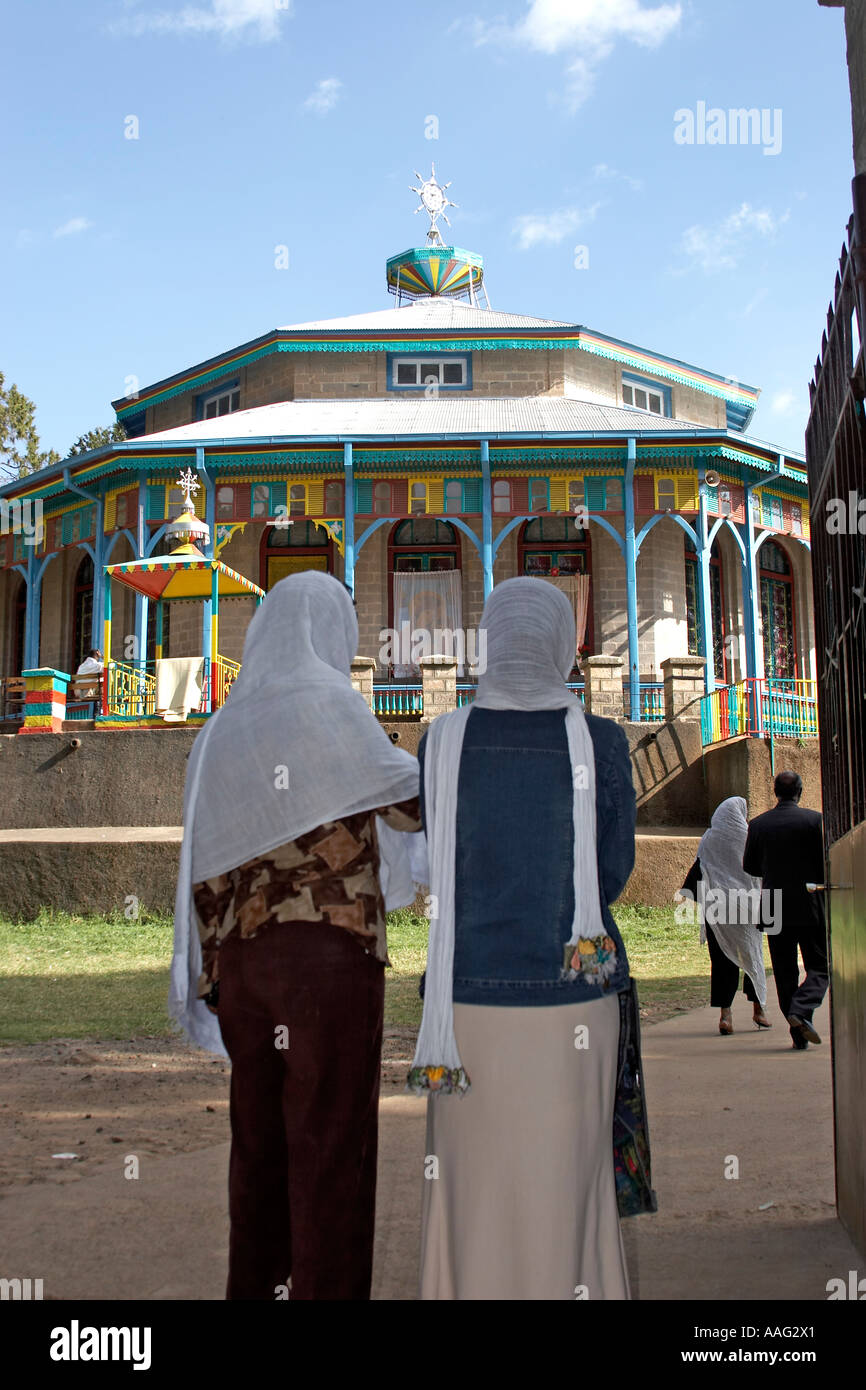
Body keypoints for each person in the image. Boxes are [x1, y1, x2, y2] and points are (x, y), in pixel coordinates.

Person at [170, 572, 423, 1300]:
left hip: (246, 972)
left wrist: (216, 969)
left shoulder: (224, 728)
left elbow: (205, 867)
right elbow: (409, 807)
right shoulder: (334, 708)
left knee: (259, 1150)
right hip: (332, 965)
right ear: (329, 630)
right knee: (331, 1146)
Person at [410, 577, 637, 1301]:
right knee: (568, 1193)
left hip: (464, 1011)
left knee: (471, 1197)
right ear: (562, 645)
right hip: (574, 1007)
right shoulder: (598, 740)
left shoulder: (441, 742)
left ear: (493, 641)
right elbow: (611, 871)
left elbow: (433, 862)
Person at [743, 770, 828, 1050]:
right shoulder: (814, 821)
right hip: (808, 901)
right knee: (819, 967)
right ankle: (802, 1009)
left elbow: (750, 867)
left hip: (773, 903)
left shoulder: (758, 824)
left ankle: (798, 1034)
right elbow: (823, 861)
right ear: (800, 791)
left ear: (775, 791)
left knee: (784, 972)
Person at [678, 797, 771, 1035]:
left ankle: (726, 1016)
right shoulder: (748, 836)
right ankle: (759, 1010)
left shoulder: (709, 839)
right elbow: (760, 872)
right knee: (753, 954)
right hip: (747, 907)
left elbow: (699, 871)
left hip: (717, 908)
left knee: (721, 961)